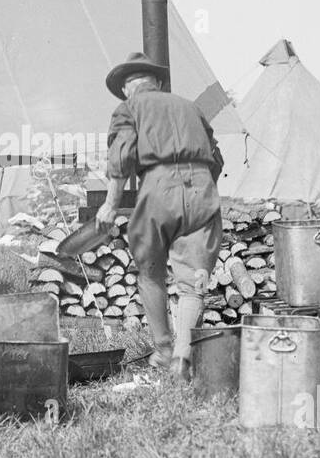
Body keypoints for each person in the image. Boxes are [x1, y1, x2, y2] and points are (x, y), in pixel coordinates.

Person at [96, 52, 224, 383]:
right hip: (201, 187)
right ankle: (184, 353)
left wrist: (110, 205)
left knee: (150, 271)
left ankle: (164, 349)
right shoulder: (191, 107)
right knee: (192, 278)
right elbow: (217, 158)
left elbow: (122, 156)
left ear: (126, 88)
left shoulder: (128, 108)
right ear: (159, 84)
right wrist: (199, 186)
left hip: (157, 187)